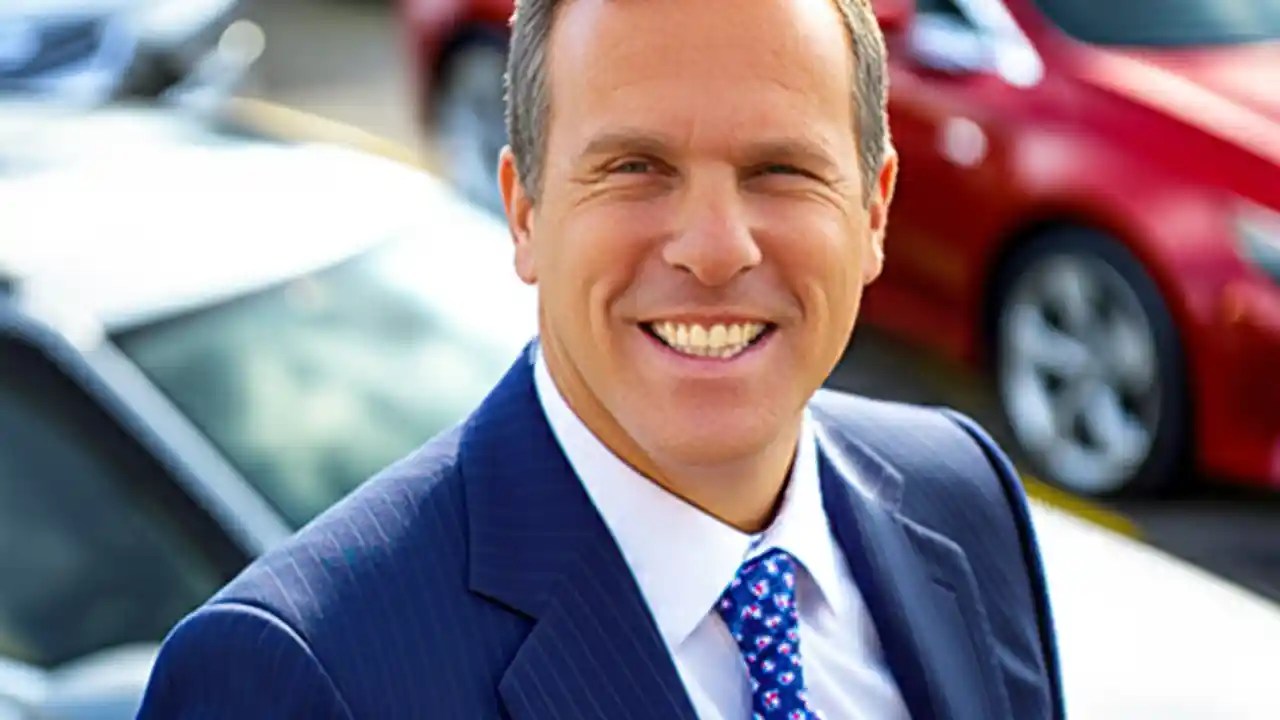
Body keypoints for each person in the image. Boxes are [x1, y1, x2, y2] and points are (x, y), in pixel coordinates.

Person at [136, 0, 1063, 717]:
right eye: (636, 169)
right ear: (526, 210)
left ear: (873, 212)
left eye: (780, 169)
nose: (714, 248)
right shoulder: (295, 672)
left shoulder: (963, 494)